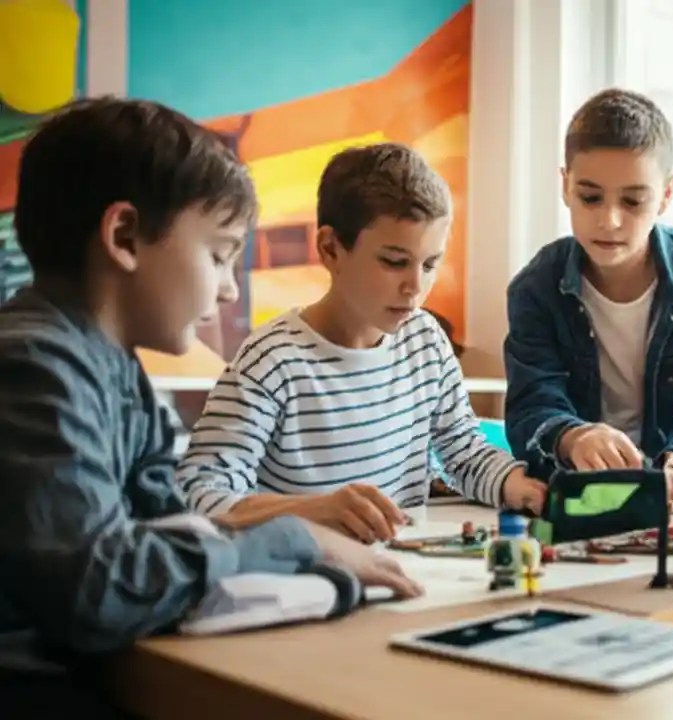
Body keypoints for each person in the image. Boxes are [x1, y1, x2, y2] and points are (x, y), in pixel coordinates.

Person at [0, 98, 420, 714]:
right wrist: (295, 538)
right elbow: (99, 589)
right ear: (124, 237)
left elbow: (173, 531)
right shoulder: (34, 367)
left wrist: (321, 575)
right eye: (219, 255)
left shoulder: (115, 369)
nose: (227, 289)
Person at [178, 143, 545, 542]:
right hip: (307, 570)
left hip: (406, 566)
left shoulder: (425, 341)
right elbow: (200, 493)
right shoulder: (272, 361)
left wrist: (518, 485)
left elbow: (463, 451)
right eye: (394, 261)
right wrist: (314, 511)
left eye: (429, 264)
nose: (415, 286)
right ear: (331, 249)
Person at [504, 88, 673, 504]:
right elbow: (531, 404)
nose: (610, 220)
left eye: (633, 201)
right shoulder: (535, 288)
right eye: (590, 197)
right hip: (577, 499)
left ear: (667, 195)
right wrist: (573, 437)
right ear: (565, 186)